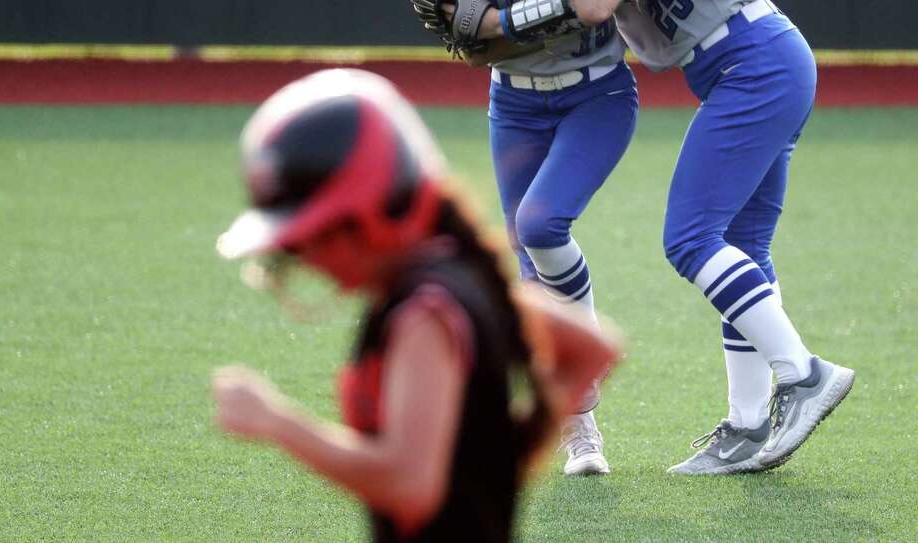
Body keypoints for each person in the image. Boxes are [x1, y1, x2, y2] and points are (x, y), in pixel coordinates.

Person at [434, 0, 855, 475]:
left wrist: (500, 20)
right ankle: (748, 425)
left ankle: (803, 375)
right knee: (742, 243)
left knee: (690, 237)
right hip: (748, 61)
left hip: (751, 61)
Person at [210, 68, 622, 542]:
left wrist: (277, 422)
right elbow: (594, 347)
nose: (306, 260)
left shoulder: (424, 312)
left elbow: (410, 487)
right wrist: (508, 457)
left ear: (370, 215)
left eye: (310, 239)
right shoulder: (462, 276)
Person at [406, 0, 637, 475]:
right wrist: (482, 30)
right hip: (517, 104)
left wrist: (509, 19)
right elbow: (481, 47)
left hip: (597, 93)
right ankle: (581, 429)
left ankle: (584, 374)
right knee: (530, 269)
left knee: (539, 225)